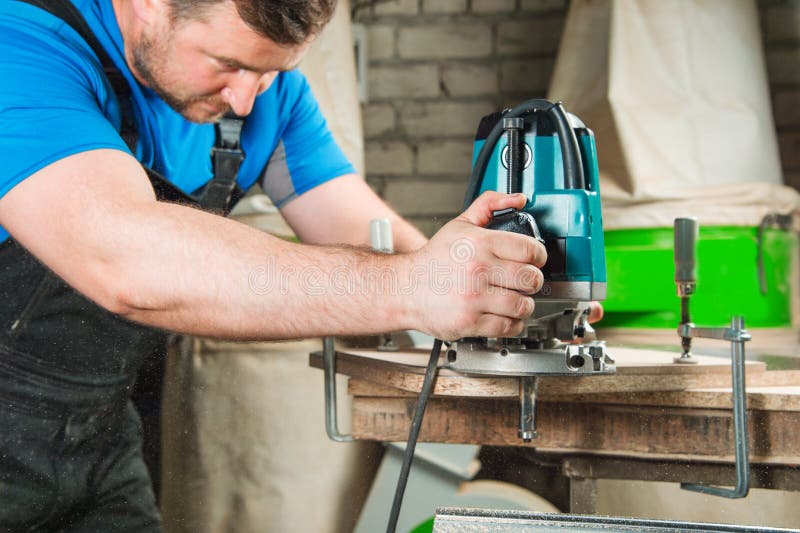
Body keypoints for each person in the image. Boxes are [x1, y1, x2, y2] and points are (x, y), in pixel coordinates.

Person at [0, 0, 550, 530]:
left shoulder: (269, 92)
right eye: (230, 65)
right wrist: (413, 285)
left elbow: (365, 234)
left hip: (97, 439)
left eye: (266, 73)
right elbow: (124, 261)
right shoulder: (20, 46)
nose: (245, 100)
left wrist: (495, 290)